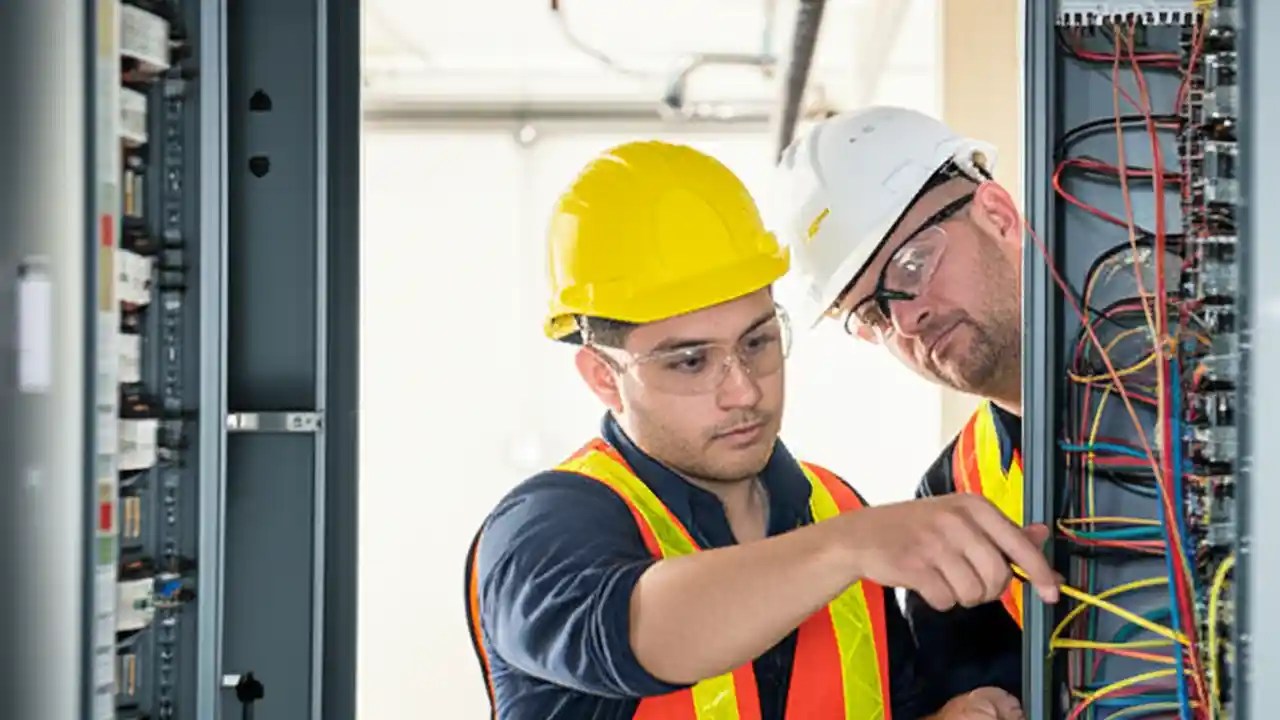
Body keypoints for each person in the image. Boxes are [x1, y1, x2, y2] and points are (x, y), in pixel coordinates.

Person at [463, 139, 1058, 720]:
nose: (744, 390)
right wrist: (849, 546)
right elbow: (635, 631)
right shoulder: (543, 526)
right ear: (603, 377)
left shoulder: (836, 508)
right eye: (690, 362)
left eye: (757, 342)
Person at [772, 105, 1035, 702]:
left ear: (997, 215)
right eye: (871, 312)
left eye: (913, 265)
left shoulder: (1201, 351)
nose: (905, 319)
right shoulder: (952, 503)